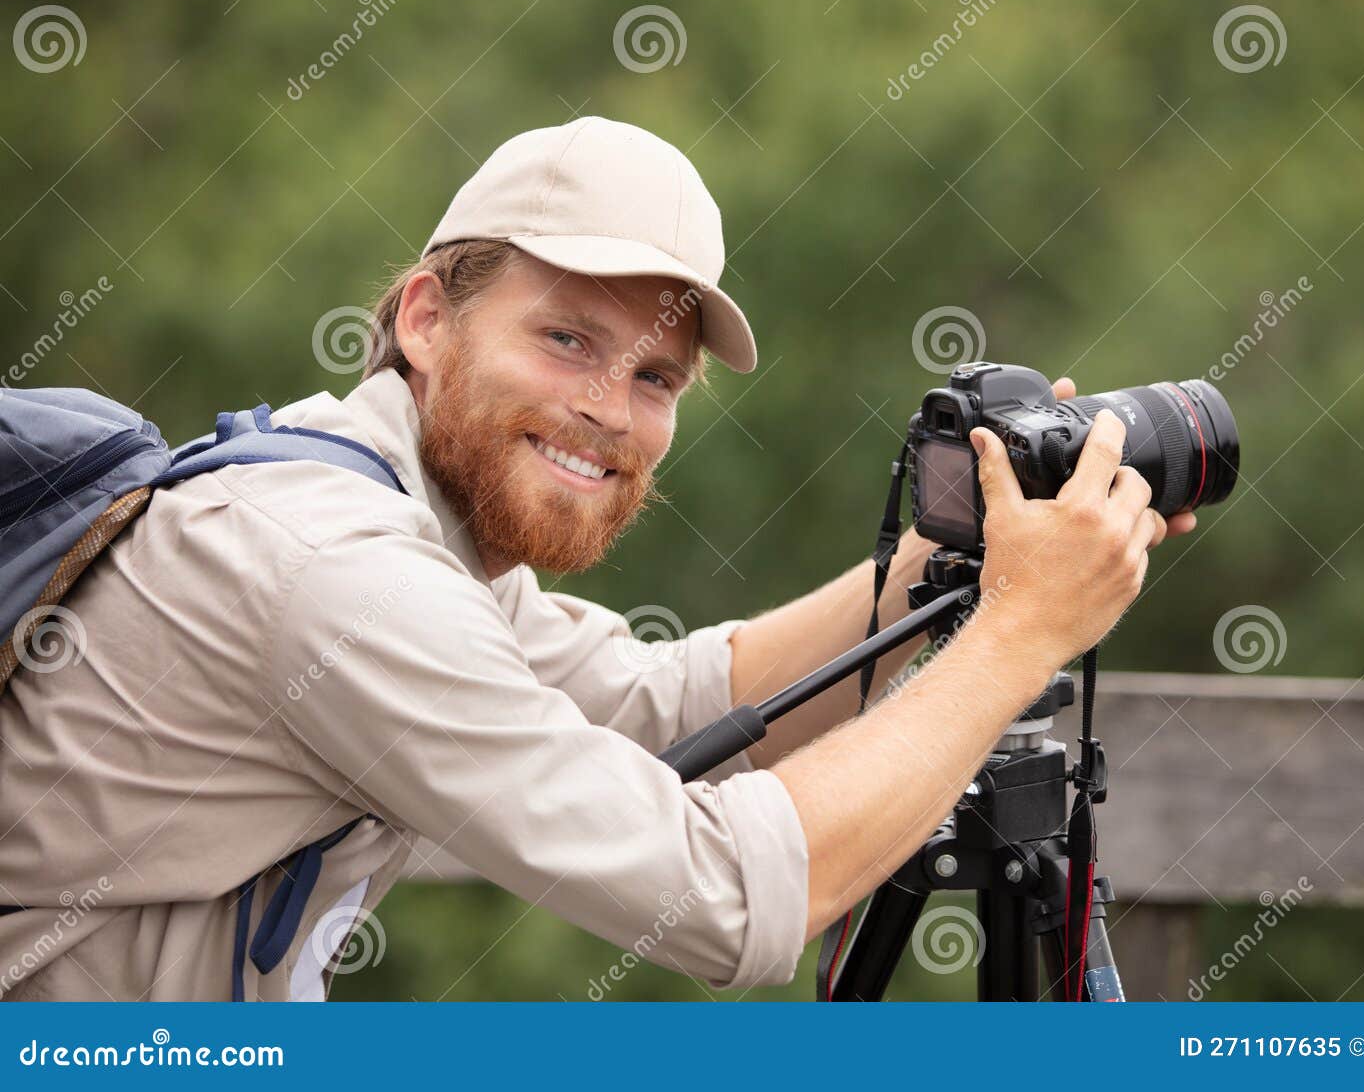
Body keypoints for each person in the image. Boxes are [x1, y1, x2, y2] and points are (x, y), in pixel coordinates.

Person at [0, 116, 1193, 1000]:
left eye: (654, 377)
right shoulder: (333, 573)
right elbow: (727, 898)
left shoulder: (385, 511)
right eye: (567, 338)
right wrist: (1022, 631)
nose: (610, 411)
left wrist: (955, 561)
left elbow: (663, 702)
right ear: (425, 317)